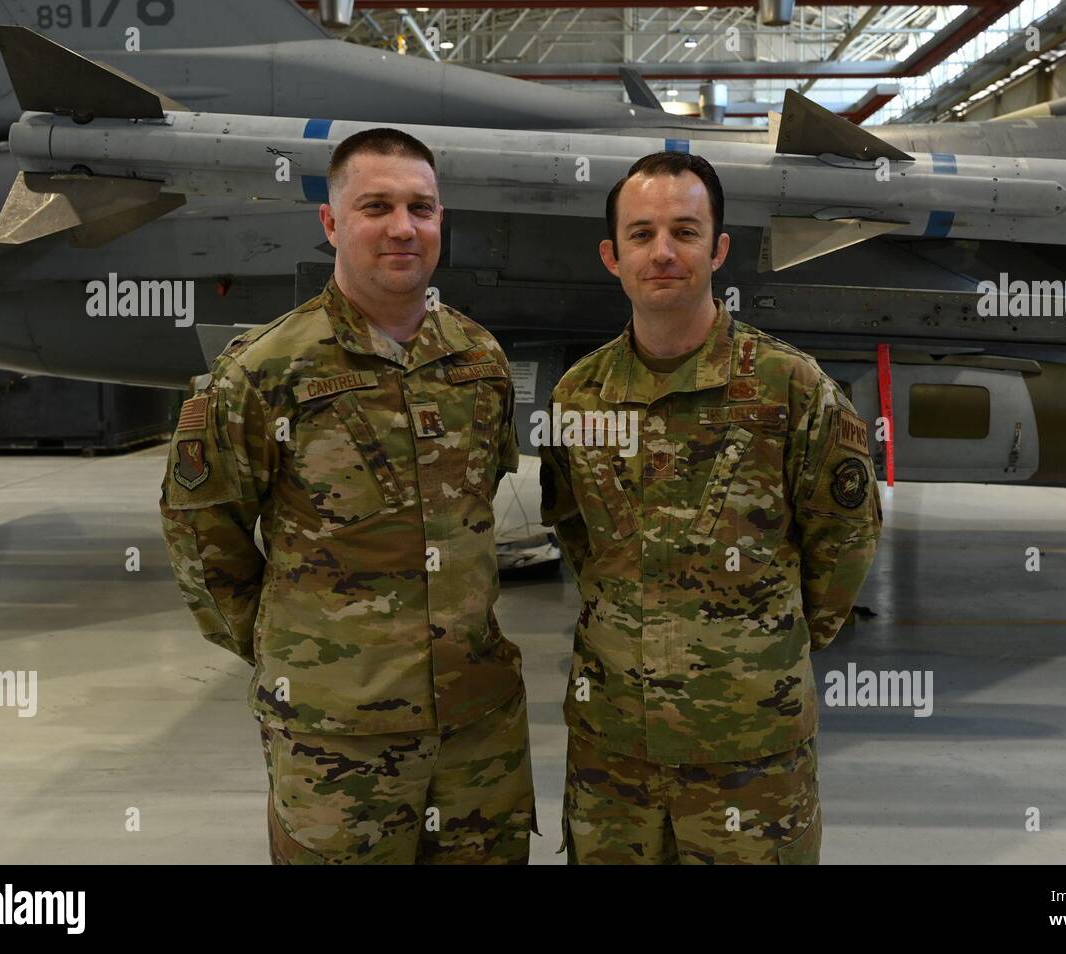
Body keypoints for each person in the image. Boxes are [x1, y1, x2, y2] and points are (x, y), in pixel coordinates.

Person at [159, 128, 534, 864]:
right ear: (331, 222)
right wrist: (298, 652)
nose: (403, 227)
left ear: (441, 219)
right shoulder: (264, 371)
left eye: (421, 208)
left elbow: (475, 507)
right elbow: (202, 539)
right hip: (337, 741)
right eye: (376, 207)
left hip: (478, 728)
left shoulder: (478, 359)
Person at [539, 151, 882, 864]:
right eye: (641, 234)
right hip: (613, 756)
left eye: (685, 231)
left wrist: (758, 654)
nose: (663, 252)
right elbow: (578, 536)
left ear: (719, 249)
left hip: (750, 754)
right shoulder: (579, 396)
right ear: (612, 256)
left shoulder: (790, 388)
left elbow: (844, 544)